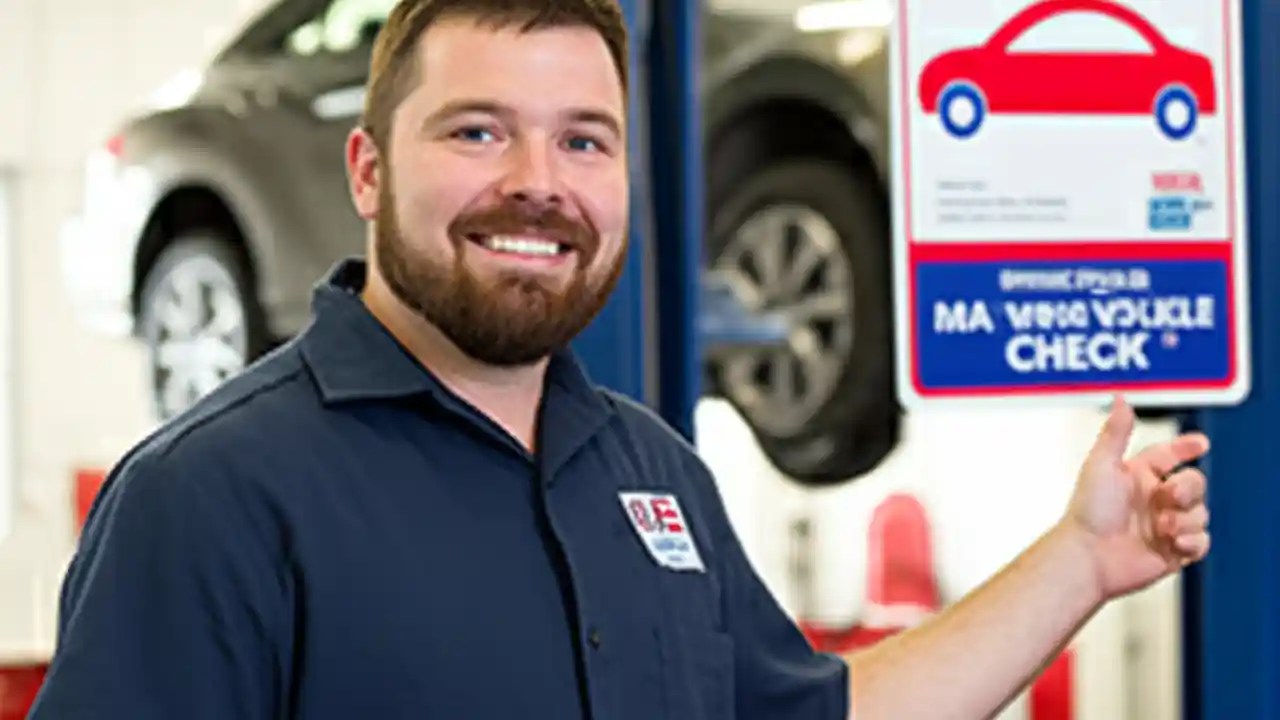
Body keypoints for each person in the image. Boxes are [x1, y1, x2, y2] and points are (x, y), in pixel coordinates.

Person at [28, 0, 1212, 717]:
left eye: (581, 139)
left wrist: (1078, 562)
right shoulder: (209, 500)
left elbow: (821, 717)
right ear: (369, 172)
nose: (537, 181)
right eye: (477, 130)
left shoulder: (651, 477)